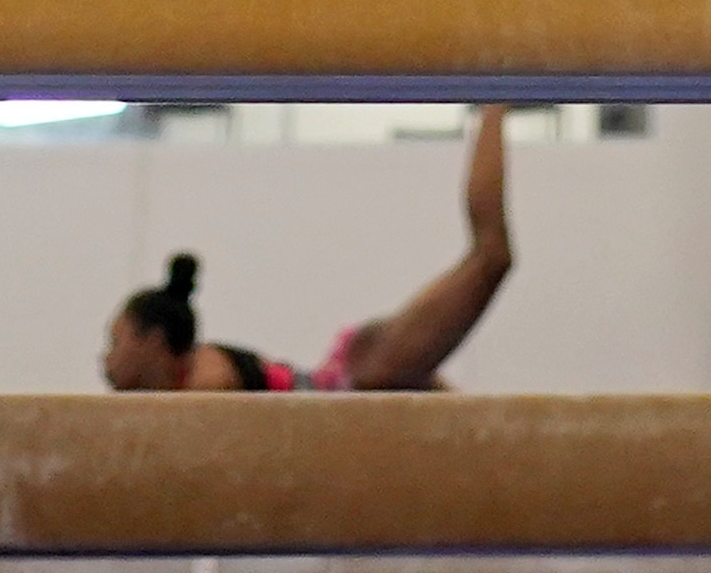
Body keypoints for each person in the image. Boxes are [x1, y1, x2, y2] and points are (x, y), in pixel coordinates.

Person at [104, 107, 518, 391]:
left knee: (491, 257)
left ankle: (495, 96)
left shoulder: (205, 374)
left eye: (115, 340)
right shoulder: (168, 403)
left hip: (350, 385)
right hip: (352, 392)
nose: (104, 358)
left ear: (153, 342)